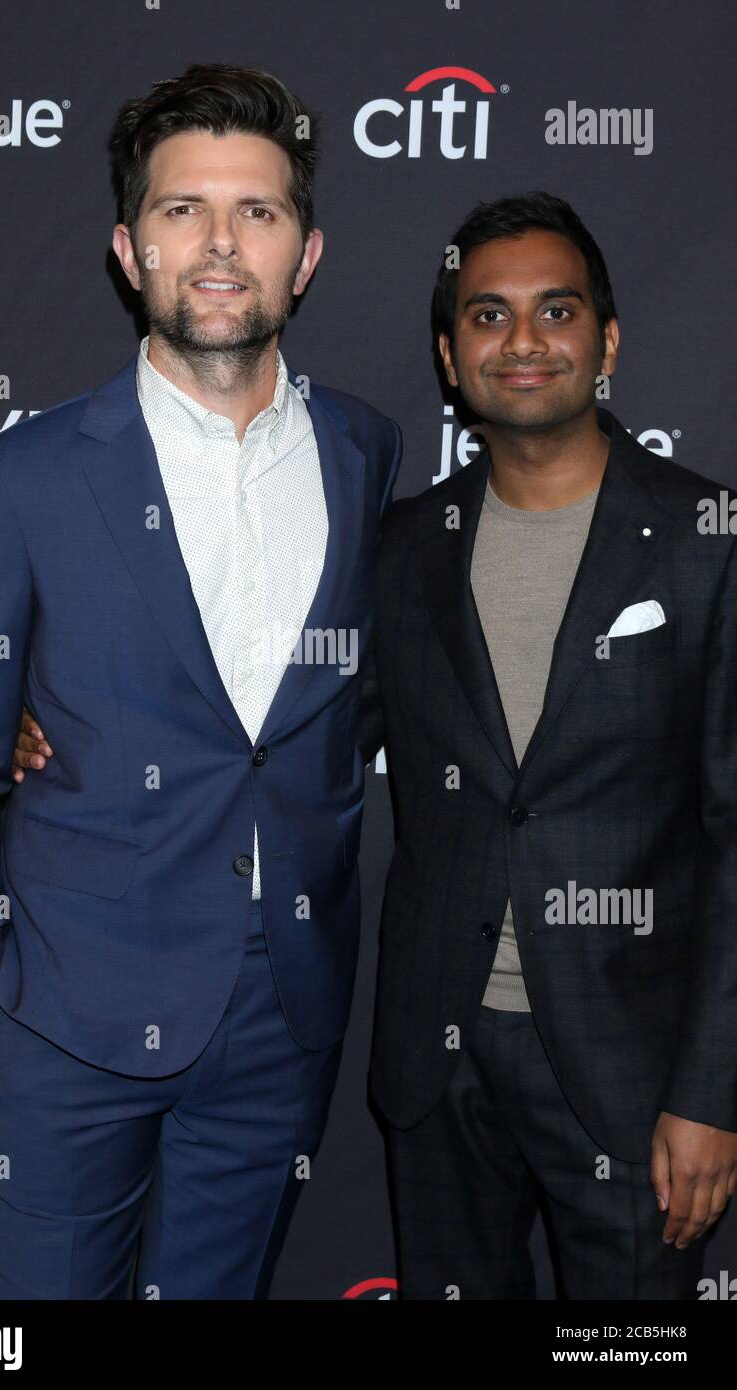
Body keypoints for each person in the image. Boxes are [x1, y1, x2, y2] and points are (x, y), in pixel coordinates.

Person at [0, 63, 400, 1300]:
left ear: (307, 252)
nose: (221, 242)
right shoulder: (25, 477)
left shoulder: (362, 450)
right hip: (59, 1019)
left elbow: (340, 705)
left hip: (279, 1017)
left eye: (258, 212)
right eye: (184, 210)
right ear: (131, 249)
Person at [366, 191, 737, 1298]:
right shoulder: (401, 549)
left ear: (605, 340)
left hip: (632, 1075)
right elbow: (293, 732)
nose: (521, 341)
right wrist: (65, 724)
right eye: (485, 316)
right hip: (437, 1057)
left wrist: (710, 1091)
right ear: (447, 354)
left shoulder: (706, 542)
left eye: (554, 311)